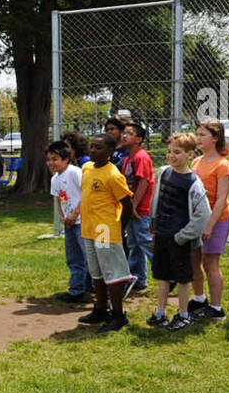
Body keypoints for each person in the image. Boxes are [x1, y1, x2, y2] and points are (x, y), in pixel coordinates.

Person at [146, 133, 210, 331]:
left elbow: (202, 214)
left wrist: (182, 236)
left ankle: (183, 314)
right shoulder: (164, 172)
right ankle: (160, 312)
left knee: (183, 278)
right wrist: (153, 224)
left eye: (177, 152)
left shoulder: (194, 183)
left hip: (179, 239)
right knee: (163, 276)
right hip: (162, 234)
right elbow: (156, 199)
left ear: (190, 154)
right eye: (169, 151)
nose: (171, 156)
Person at [77, 133, 135, 333]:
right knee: (96, 272)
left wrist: (120, 227)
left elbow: (127, 204)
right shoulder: (86, 168)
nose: (92, 150)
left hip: (103, 230)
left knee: (111, 273)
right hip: (89, 228)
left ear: (110, 152)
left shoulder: (113, 175)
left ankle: (118, 315)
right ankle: (100, 309)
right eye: (92, 147)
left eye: (98, 148)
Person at [187, 121, 229, 320]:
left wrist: (210, 225)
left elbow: (222, 199)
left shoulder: (222, 164)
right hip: (196, 220)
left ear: (215, 138)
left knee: (210, 264)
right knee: (194, 261)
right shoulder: (196, 162)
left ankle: (216, 308)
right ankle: (199, 299)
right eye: (197, 134)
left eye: (202, 135)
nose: (198, 138)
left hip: (217, 220)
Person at [46, 141, 92, 302]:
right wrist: (62, 216)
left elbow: (86, 194)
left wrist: (75, 213)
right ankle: (76, 289)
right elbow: (59, 199)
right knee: (74, 257)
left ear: (66, 159)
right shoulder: (55, 179)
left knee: (89, 256)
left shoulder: (75, 172)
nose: (51, 163)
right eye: (49, 159)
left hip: (82, 221)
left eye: (55, 159)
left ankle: (96, 287)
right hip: (70, 223)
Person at [119, 120, 155, 293]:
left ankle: (167, 274)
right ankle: (138, 278)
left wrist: (134, 206)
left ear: (139, 139)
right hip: (132, 207)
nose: (124, 135)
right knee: (134, 243)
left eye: (130, 133)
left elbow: (144, 182)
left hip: (142, 209)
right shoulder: (127, 159)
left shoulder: (141, 157)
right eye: (124, 133)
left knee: (145, 241)